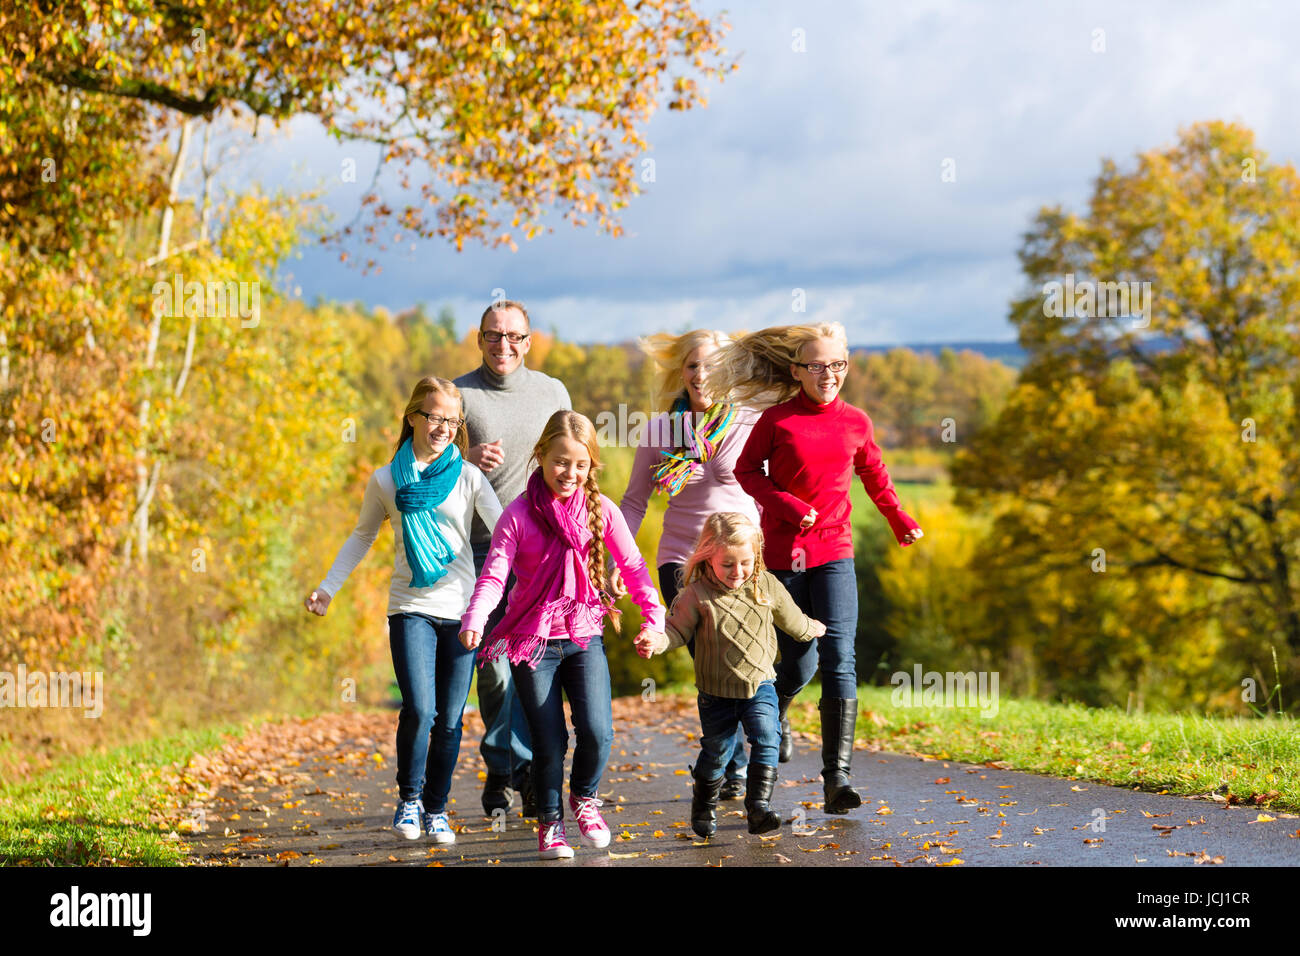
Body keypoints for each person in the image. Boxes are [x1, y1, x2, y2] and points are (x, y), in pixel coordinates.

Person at [718, 322, 924, 814]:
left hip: (835, 551)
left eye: (837, 365)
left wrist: (897, 517)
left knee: (840, 657)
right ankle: (775, 720)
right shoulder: (777, 421)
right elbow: (746, 471)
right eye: (817, 366)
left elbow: (873, 472)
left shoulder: (857, 421)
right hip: (785, 556)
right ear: (797, 371)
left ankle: (837, 780)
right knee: (796, 663)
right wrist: (785, 504)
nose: (828, 374)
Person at [459, 410, 666, 860]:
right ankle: (550, 824)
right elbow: (495, 575)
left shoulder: (602, 511)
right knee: (548, 739)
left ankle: (585, 799)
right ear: (540, 457)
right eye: (559, 462)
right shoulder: (517, 515)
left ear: (591, 465)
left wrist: (654, 617)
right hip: (533, 643)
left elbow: (631, 567)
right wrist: (476, 619)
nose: (569, 473)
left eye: (579, 464)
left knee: (597, 730)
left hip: (584, 632)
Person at [305, 377, 502, 843]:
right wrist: (327, 588)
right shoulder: (386, 479)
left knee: (451, 719)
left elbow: (506, 532)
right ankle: (409, 801)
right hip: (410, 606)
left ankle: (437, 809)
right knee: (420, 708)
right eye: (434, 417)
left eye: (452, 420)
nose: (443, 428)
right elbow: (361, 536)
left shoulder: (470, 477)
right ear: (413, 416)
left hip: (461, 611)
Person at [619, 329, 760, 800]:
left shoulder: (751, 421)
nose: (702, 375)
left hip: (742, 561)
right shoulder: (661, 430)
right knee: (710, 664)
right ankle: (731, 764)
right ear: (681, 372)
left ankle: (758, 733)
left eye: (712, 366)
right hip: (682, 561)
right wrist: (611, 555)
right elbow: (635, 502)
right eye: (693, 365)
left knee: (746, 661)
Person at [454, 299, 572, 817]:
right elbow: (419, 462)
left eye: (514, 336)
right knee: (495, 668)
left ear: (529, 340)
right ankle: (502, 763)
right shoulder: (457, 395)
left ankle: (520, 769)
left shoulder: (552, 392)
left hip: (540, 549)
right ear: (479, 339)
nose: (504, 346)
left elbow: (572, 459)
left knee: (529, 661)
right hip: (479, 547)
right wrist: (464, 460)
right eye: (493, 336)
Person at [638, 512, 825, 837]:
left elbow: (793, 621)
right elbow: (676, 632)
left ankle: (758, 808)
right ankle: (703, 804)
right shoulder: (696, 594)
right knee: (717, 754)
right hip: (716, 695)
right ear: (708, 557)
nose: (737, 573)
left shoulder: (766, 585)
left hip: (761, 686)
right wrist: (656, 641)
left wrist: (815, 628)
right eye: (727, 564)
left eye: (746, 563)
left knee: (768, 739)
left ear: (756, 556)